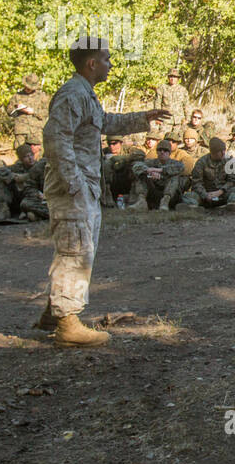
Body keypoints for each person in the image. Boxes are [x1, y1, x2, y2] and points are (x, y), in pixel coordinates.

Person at [38, 36, 170, 345]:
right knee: (75, 249)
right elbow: (56, 140)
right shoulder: (73, 94)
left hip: (82, 185)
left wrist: (142, 119)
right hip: (74, 187)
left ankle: (54, 313)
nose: (111, 65)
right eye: (107, 59)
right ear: (91, 63)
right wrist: (74, 184)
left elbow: (103, 122)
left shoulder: (85, 94)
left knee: (77, 246)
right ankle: (67, 325)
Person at [184, 138, 235, 209]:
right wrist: (205, 195)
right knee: (189, 195)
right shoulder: (201, 162)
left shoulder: (230, 160)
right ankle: (194, 208)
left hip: (223, 193)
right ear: (213, 152)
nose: (223, 153)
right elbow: (196, 183)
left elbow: (233, 181)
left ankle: (232, 204)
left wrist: (220, 191)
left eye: (224, 150)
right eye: (220, 151)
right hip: (206, 194)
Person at [129, 140, 187, 211]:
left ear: (169, 153)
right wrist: (148, 171)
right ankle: (141, 201)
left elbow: (180, 167)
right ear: (157, 152)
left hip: (171, 195)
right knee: (141, 175)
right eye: (160, 150)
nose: (162, 152)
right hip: (153, 192)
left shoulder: (175, 163)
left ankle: (165, 202)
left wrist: (159, 170)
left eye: (165, 150)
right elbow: (136, 166)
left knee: (174, 176)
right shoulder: (150, 162)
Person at [10, 74, 50, 147]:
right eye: (26, 87)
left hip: (36, 131)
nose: (27, 89)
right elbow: (9, 111)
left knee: (37, 154)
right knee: (21, 153)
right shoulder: (17, 96)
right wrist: (18, 109)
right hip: (21, 131)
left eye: (30, 88)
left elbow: (47, 112)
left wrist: (34, 112)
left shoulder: (42, 97)